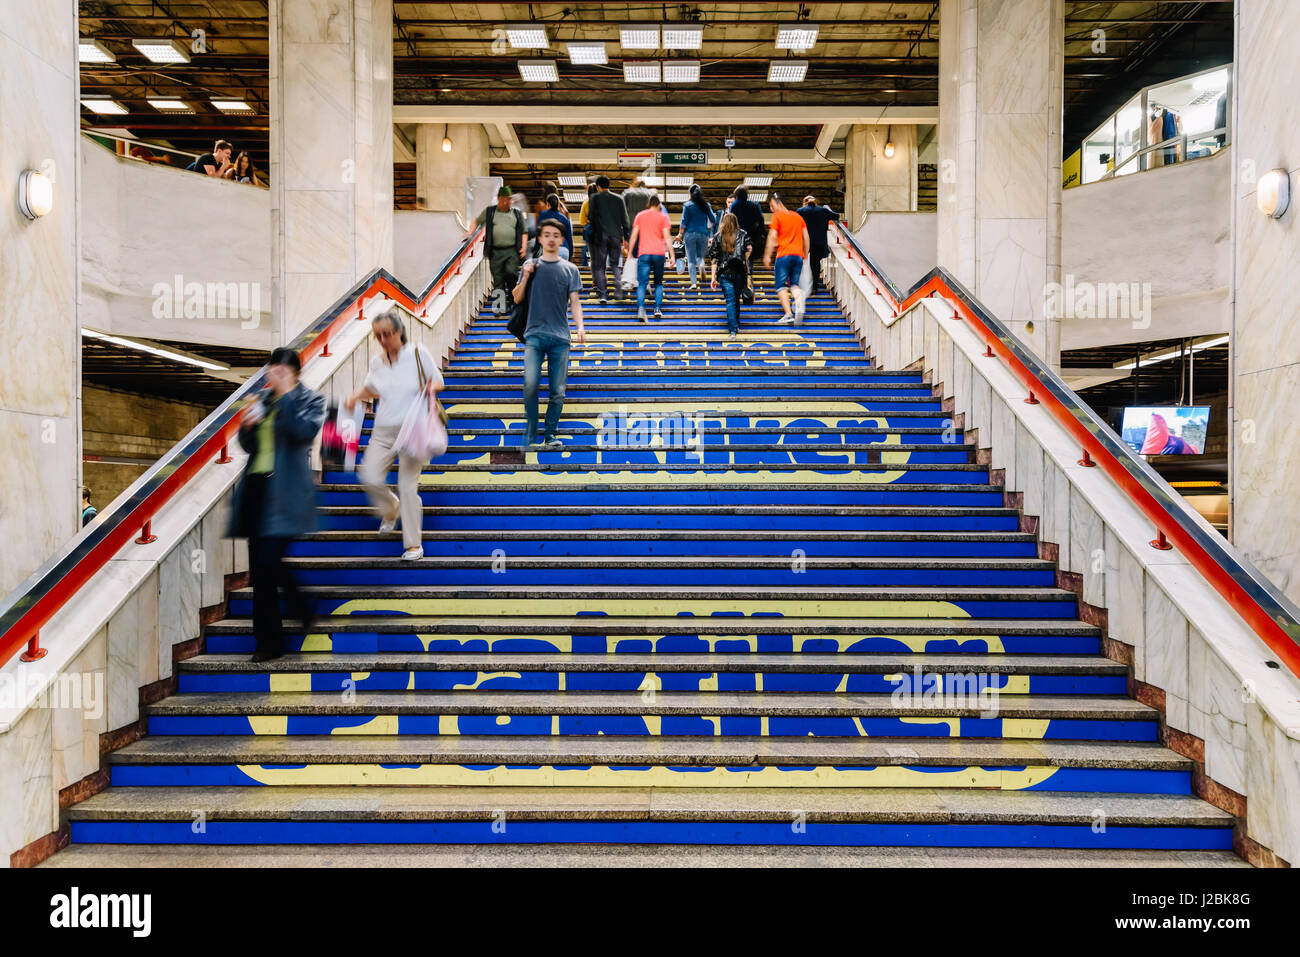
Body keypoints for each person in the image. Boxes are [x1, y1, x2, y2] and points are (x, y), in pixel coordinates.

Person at [227, 347, 325, 663]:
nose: (275, 376)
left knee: (270, 559)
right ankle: (268, 642)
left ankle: (301, 606)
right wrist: (249, 426)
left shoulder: (309, 400)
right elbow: (247, 445)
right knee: (260, 570)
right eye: (272, 371)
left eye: (281, 371)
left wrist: (284, 396)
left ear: (294, 372)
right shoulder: (263, 401)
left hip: (286, 492)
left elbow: (303, 432)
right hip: (256, 488)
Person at [344, 305, 442, 562]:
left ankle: (413, 545)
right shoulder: (377, 363)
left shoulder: (418, 353)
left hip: (413, 431)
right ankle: (391, 508)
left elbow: (439, 381)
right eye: (378, 336)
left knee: (407, 486)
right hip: (383, 431)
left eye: (387, 333)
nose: (383, 340)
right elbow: (372, 388)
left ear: (399, 331)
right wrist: (355, 396)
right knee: (369, 476)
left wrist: (428, 387)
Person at [513, 220, 585, 448]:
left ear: (561, 240)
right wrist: (525, 276)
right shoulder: (530, 266)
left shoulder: (570, 269)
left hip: (561, 338)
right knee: (530, 385)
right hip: (534, 335)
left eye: (556, 235)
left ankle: (550, 435)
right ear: (541, 239)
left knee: (558, 392)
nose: (552, 238)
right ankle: (532, 433)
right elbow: (516, 298)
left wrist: (580, 326)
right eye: (547, 234)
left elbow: (575, 302)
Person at [475, 186, 528, 307]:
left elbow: (524, 231)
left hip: (511, 252)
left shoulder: (516, 213)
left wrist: (524, 247)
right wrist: (469, 232)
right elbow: (477, 222)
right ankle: (500, 307)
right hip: (495, 252)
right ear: (498, 199)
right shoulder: (490, 211)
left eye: (508, 200)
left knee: (511, 274)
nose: (506, 202)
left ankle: (514, 301)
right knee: (498, 280)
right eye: (503, 199)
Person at [764, 192, 810, 324]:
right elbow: (806, 238)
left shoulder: (777, 216)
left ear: (779, 203)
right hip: (798, 256)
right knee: (794, 284)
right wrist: (805, 254)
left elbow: (772, 237)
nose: (772, 209)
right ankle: (799, 303)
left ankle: (789, 314)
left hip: (784, 255)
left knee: (780, 285)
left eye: (772, 206)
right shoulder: (798, 217)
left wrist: (767, 255)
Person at [629, 194, 674, 322]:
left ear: (648, 204)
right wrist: (672, 255)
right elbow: (667, 237)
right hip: (659, 253)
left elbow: (634, 236)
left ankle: (641, 309)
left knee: (642, 284)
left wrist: (630, 253)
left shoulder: (640, 216)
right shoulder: (663, 217)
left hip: (643, 253)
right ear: (659, 205)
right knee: (658, 283)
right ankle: (657, 309)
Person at [708, 212, 753, 339]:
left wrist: (713, 277)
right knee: (736, 299)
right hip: (739, 272)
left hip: (724, 273)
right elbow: (749, 248)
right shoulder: (743, 234)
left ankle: (733, 330)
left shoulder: (718, 236)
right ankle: (736, 324)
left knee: (730, 300)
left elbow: (714, 259)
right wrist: (743, 259)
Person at [587, 175, 630, 304]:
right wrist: (626, 237)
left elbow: (590, 216)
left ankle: (603, 295)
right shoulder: (619, 199)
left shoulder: (595, 198)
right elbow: (625, 219)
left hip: (600, 236)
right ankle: (618, 290)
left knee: (600, 266)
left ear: (598, 187)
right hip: (616, 236)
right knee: (615, 264)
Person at [796, 194, 839, 292]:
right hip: (818, 242)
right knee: (815, 265)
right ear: (816, 202)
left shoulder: (800, 211)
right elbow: (836, 216)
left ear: (805, 202)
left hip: (803, 242)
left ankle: (798, 285)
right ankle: (814, 287)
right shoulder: (823, 211)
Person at [678, 184, 717, 291]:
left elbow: (683, 222)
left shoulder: (687, 205)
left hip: (689, 234)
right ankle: (702, 265)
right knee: (700, 257)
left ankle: (694, 284)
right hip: (703, 234)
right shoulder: (706, 205)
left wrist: (680, 234)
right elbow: (713, 220)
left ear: (690, 193)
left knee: (691, 260)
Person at [730, 186, 767, 273]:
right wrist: (761, 233)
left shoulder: (734, 205)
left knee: (738, 256)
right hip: (751, 235)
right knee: (748, 256)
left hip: (737, 235)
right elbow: (761, 220)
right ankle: (749, 278)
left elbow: (730, 220)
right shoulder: (753, 205)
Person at [536, 193, 574, 261]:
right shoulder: (564, 218)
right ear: (558, 204)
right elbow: (569, 238)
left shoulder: (542, 215)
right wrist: (570, 253)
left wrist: (536, 249)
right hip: (564, 249)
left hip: (548, 249)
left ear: (547, 204)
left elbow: (538, 233)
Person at [578, 182, 596, 266]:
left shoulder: (586, 203)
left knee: (587, 250)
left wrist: (588, 224)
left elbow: (582, 221)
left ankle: (584, 268)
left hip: (589, 230)